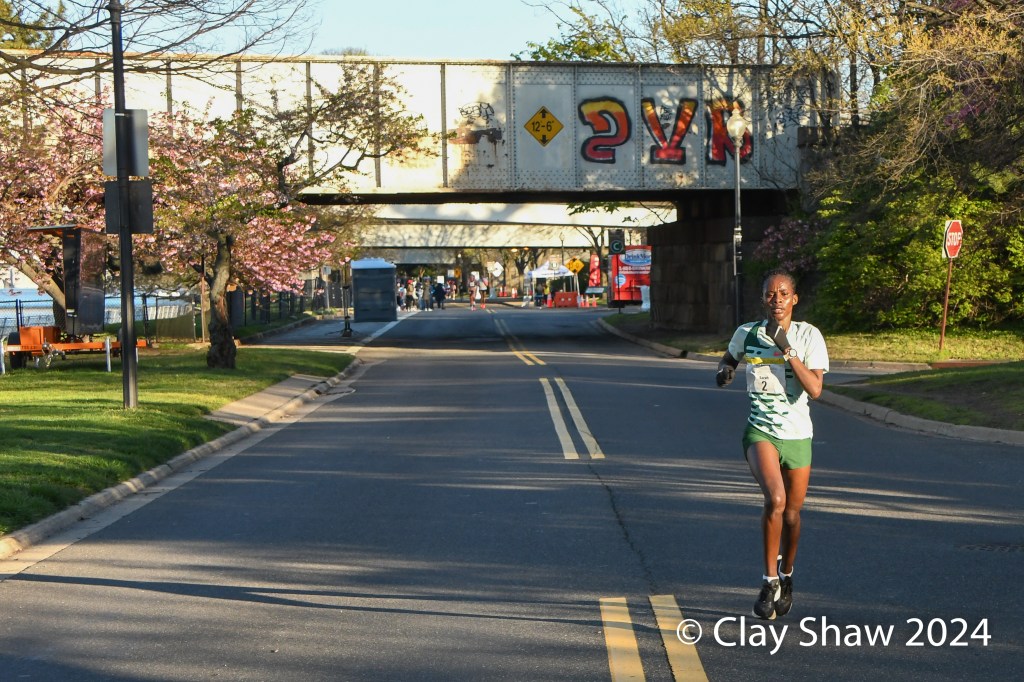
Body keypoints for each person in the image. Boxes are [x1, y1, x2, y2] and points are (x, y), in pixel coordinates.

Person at [715, 269, 829, 620]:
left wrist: (786, 348)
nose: (776, 299)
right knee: (775, 500)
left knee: (792, 514)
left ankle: (787, 575)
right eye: (770, 294)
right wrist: (724, 372)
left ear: (794, 299)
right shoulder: (746, 333)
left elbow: (815, 389)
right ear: (763, 299)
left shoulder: (809, 336)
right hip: (760, 431)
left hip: (797, 434)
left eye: (783, 294)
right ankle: (768, 582)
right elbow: (728, 360)